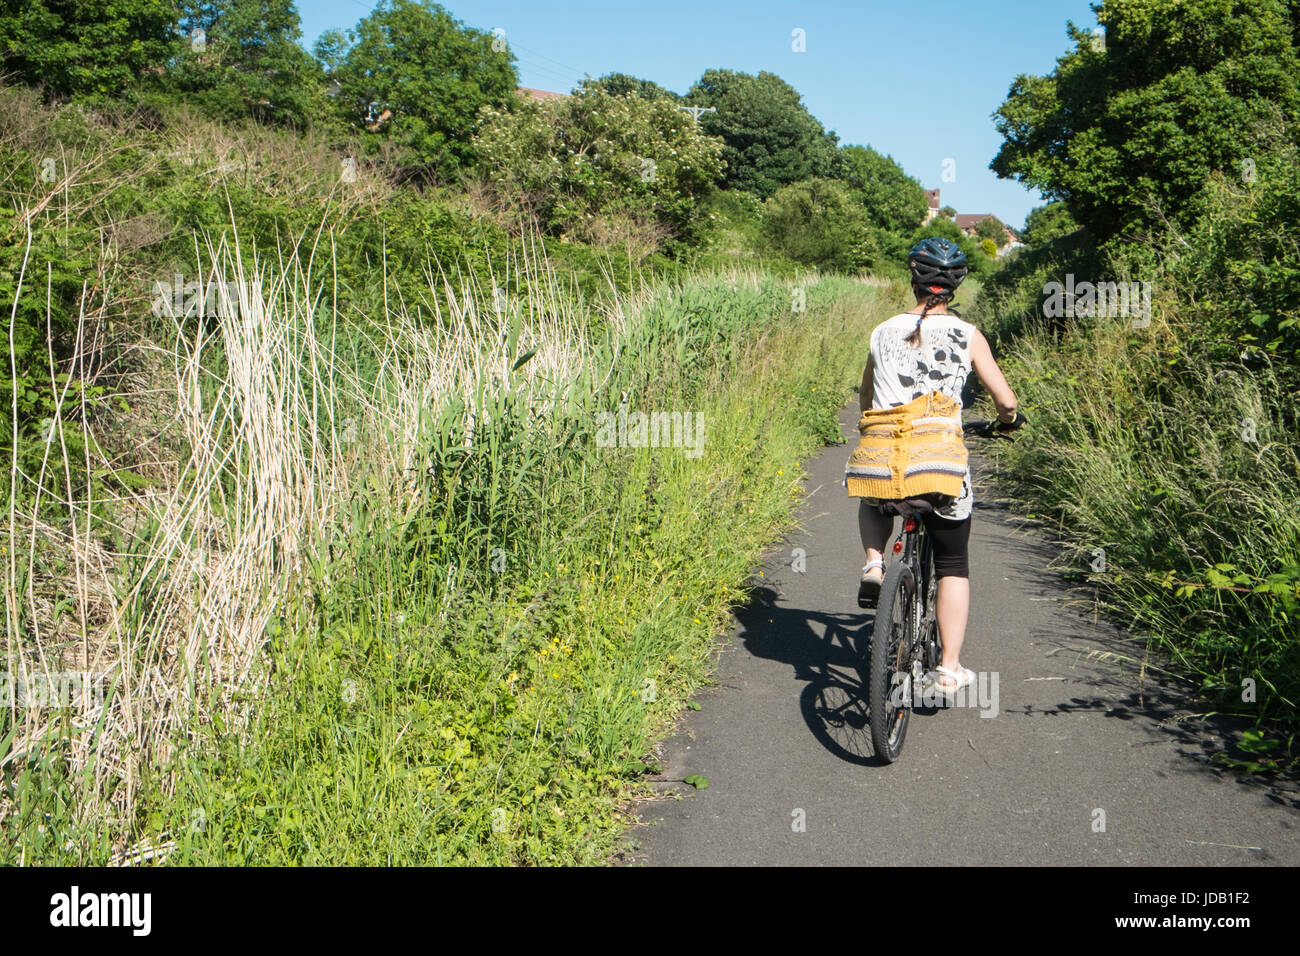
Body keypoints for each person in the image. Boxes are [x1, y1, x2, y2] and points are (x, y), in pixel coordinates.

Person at [850, 237, 1021, 697]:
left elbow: (866, 396)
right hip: (941, 465)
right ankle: (948, 668)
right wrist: (1008, 421)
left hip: (886, 456)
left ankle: (873, 562)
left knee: (875, 491)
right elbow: (1005, 401)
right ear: (957, 283)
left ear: (914, 279)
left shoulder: (882, 331)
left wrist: (874, 420)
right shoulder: (968, 335)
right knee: (952, 564)